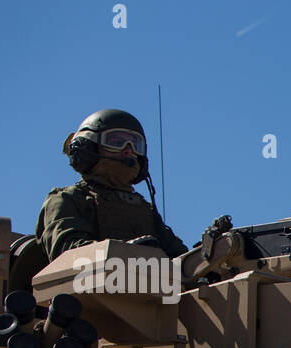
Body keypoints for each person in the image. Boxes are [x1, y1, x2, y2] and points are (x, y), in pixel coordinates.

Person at [35, 109, 187, 261]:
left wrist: (207, 257)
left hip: (152, 283)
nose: (128, 151)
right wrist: (124, 254)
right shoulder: (67, 200)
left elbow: (182, 262)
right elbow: (69, 253)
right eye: (117, 143)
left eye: (135, 145)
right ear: (88, 148)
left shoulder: (145, 210)